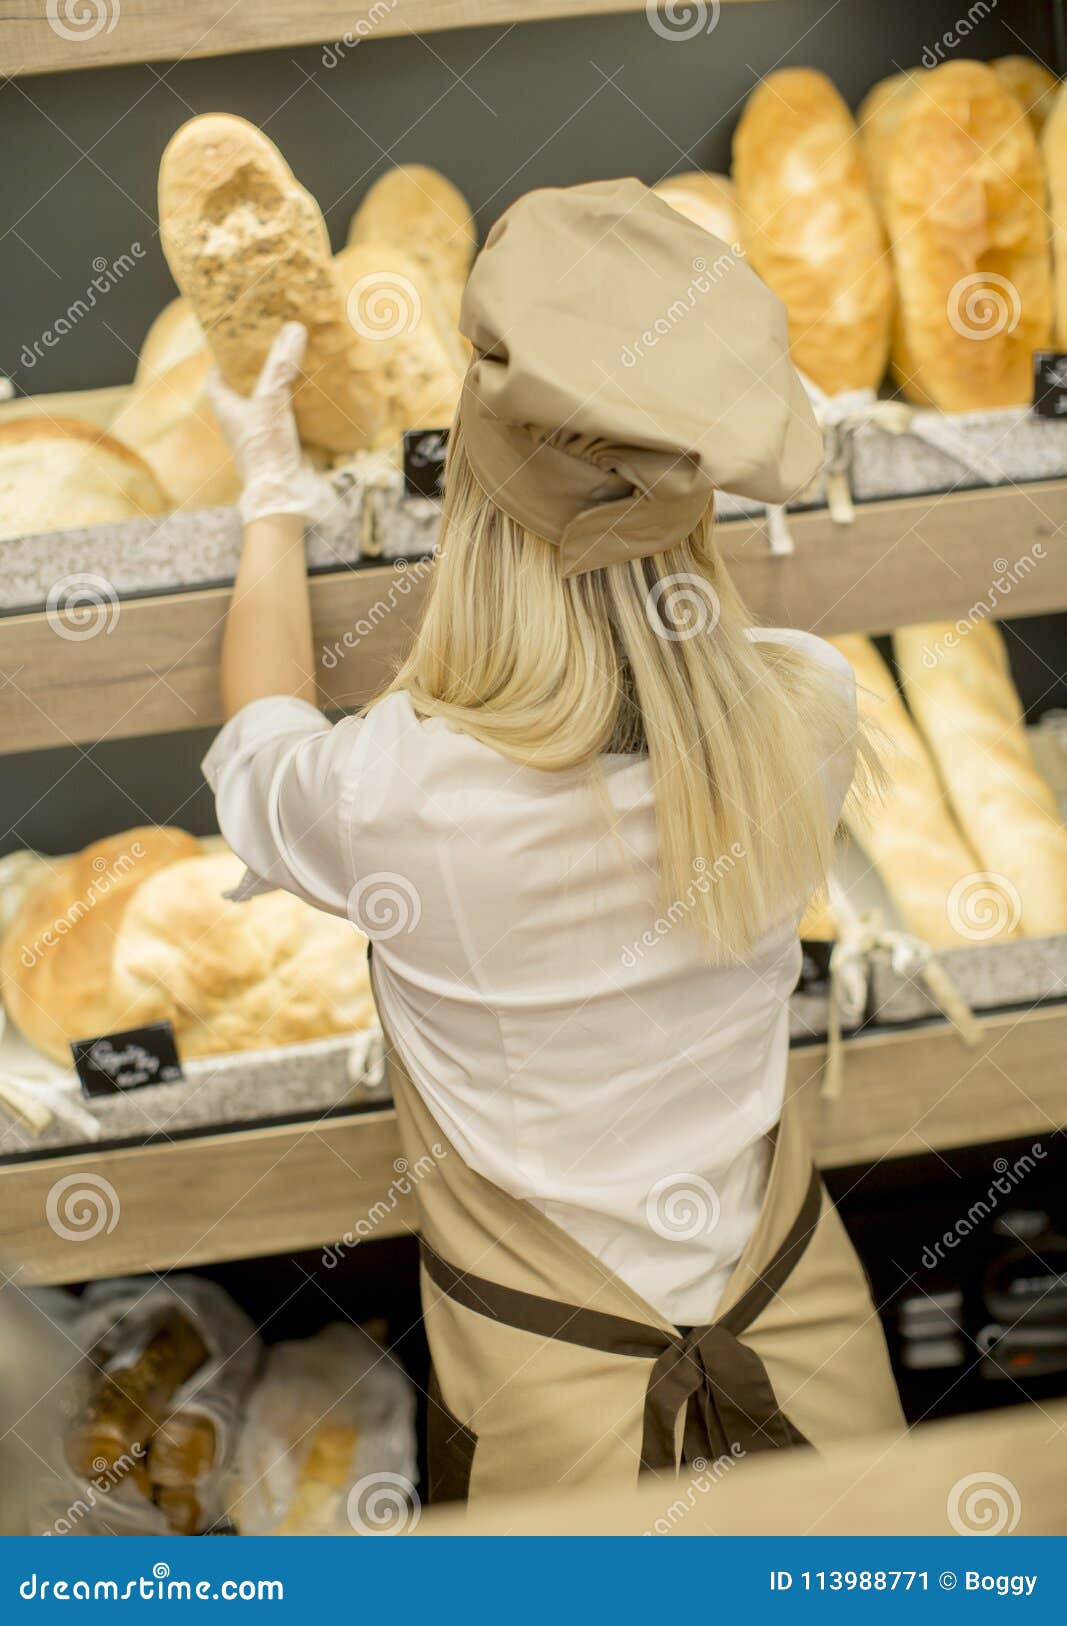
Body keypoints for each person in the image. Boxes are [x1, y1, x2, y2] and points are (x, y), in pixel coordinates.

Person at [203, 178, 905, 1506]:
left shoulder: (399, 795)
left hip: (559, 1456)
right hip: (830, 1400)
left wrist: (269, 485)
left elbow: (257, 739)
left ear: (474, 484)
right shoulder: (809, 709)